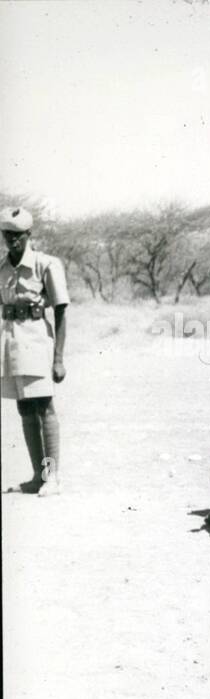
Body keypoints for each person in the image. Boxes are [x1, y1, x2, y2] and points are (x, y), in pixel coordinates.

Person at [2, 206, 69, 496]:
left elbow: (61, 311)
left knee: (44, 407)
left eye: (17, 235)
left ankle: (51, 477)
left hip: (38, 340)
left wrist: (59, 359)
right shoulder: (2, 267)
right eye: (7, 235)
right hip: (11, 342)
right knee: (24, 407)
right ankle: (36, 476)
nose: (12, 240)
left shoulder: (46, 264)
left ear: (28, 235)